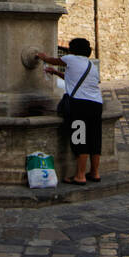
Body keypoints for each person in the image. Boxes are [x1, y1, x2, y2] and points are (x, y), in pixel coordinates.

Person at [36, 38, 102, 185]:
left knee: (80, 139)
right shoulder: (91, 65)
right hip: (96, 104)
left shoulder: (70, 58)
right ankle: (95, 173)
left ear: (73, 49)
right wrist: (55, 73)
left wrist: (41, 56)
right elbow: (75, 79)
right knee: (95, 138)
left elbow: (51, 60)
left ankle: (80, 176)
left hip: (79, 105)